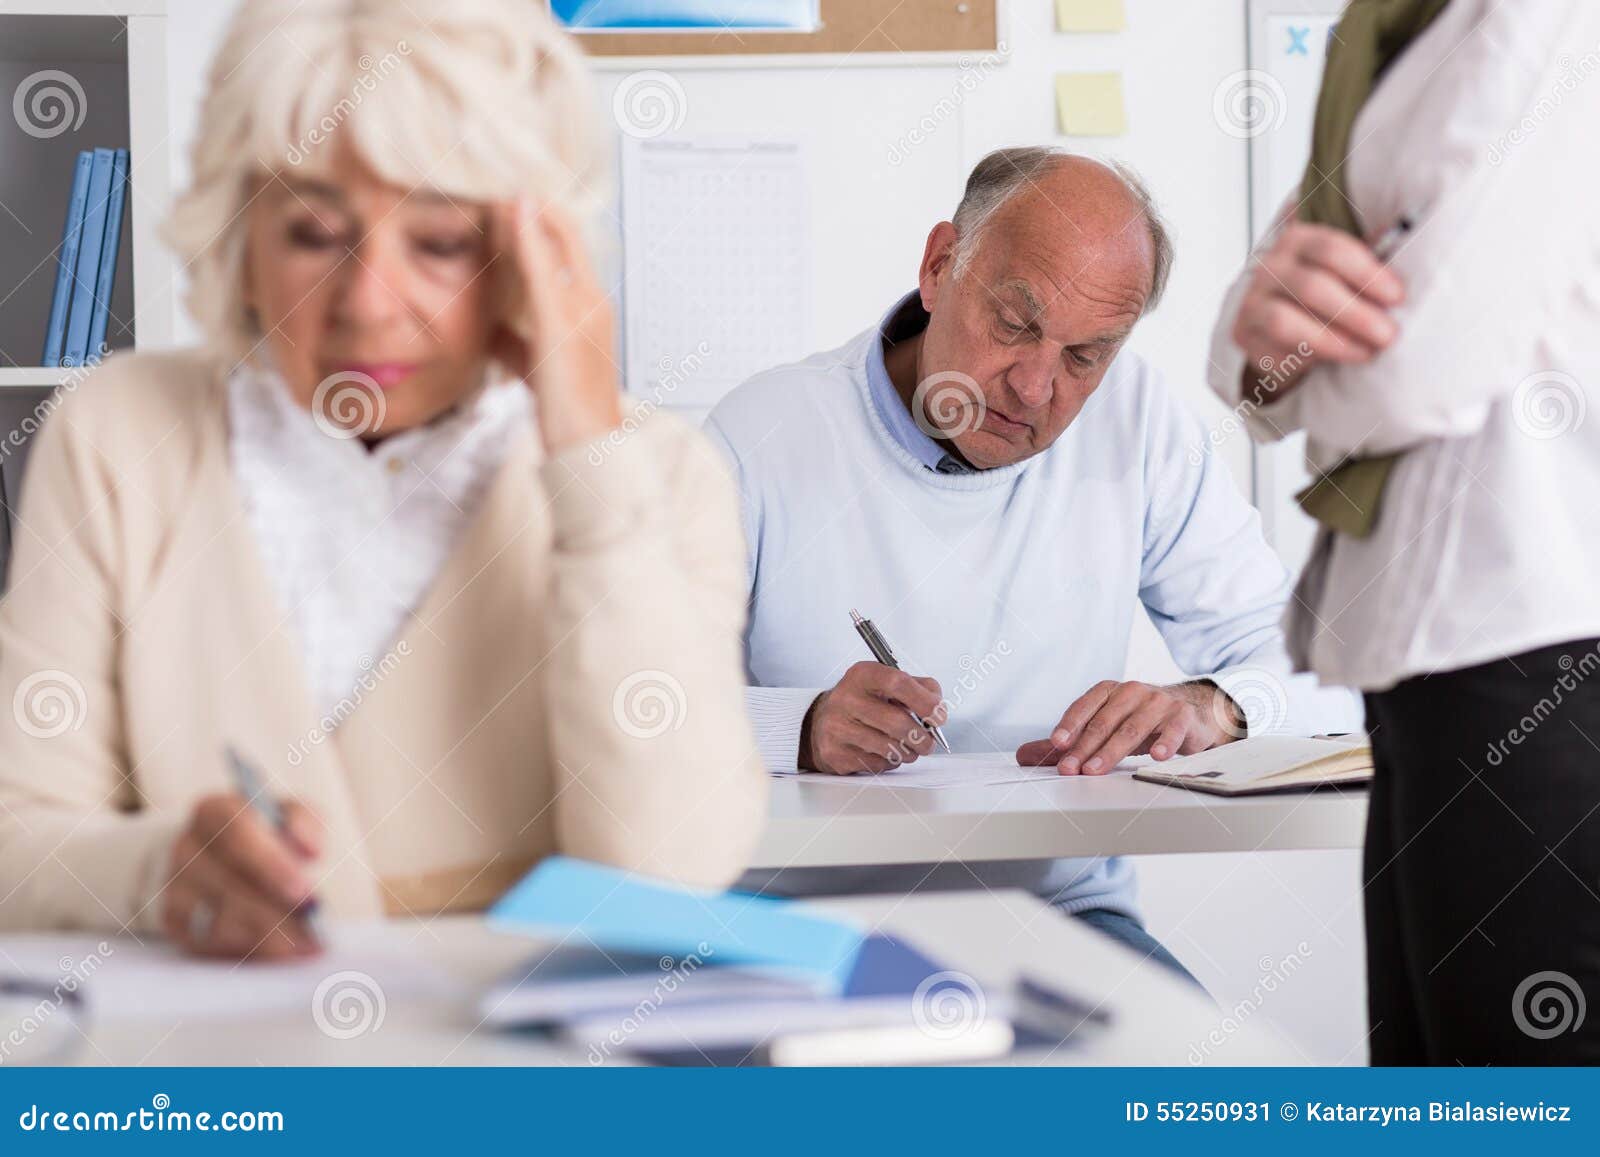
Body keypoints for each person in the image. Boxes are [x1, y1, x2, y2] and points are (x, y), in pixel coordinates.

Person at [0, 0, 766, 958]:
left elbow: (670, 870)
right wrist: (161, 872)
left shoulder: (656, 475)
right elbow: (19, 837)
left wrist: (586, 458)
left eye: (441, 243)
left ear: (533, 254)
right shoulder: (121, 431)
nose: (366, 304)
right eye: (314, 233)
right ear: (241, 242)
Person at [706, 147, 1360, 976]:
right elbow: (630, 708)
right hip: (799, 915)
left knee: (1201, 1091)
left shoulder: (1139, 424)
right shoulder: (762, 432)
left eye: (1086, 355)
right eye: (1015, 325)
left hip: (1050, 910)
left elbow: (1330, 668)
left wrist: (1217, 703)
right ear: (941, 267)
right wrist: (798, 727)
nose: (1034, 386)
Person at [1210, 0, 1600, 1062]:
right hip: (1428, 669)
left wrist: (1297, 381)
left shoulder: (1544, 20)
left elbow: (1416, 365)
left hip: (1530, 653)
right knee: (1428, 1089)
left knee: (1512, 1098)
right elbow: (1255, 337)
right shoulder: (1403, 27)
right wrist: (1279, 354)